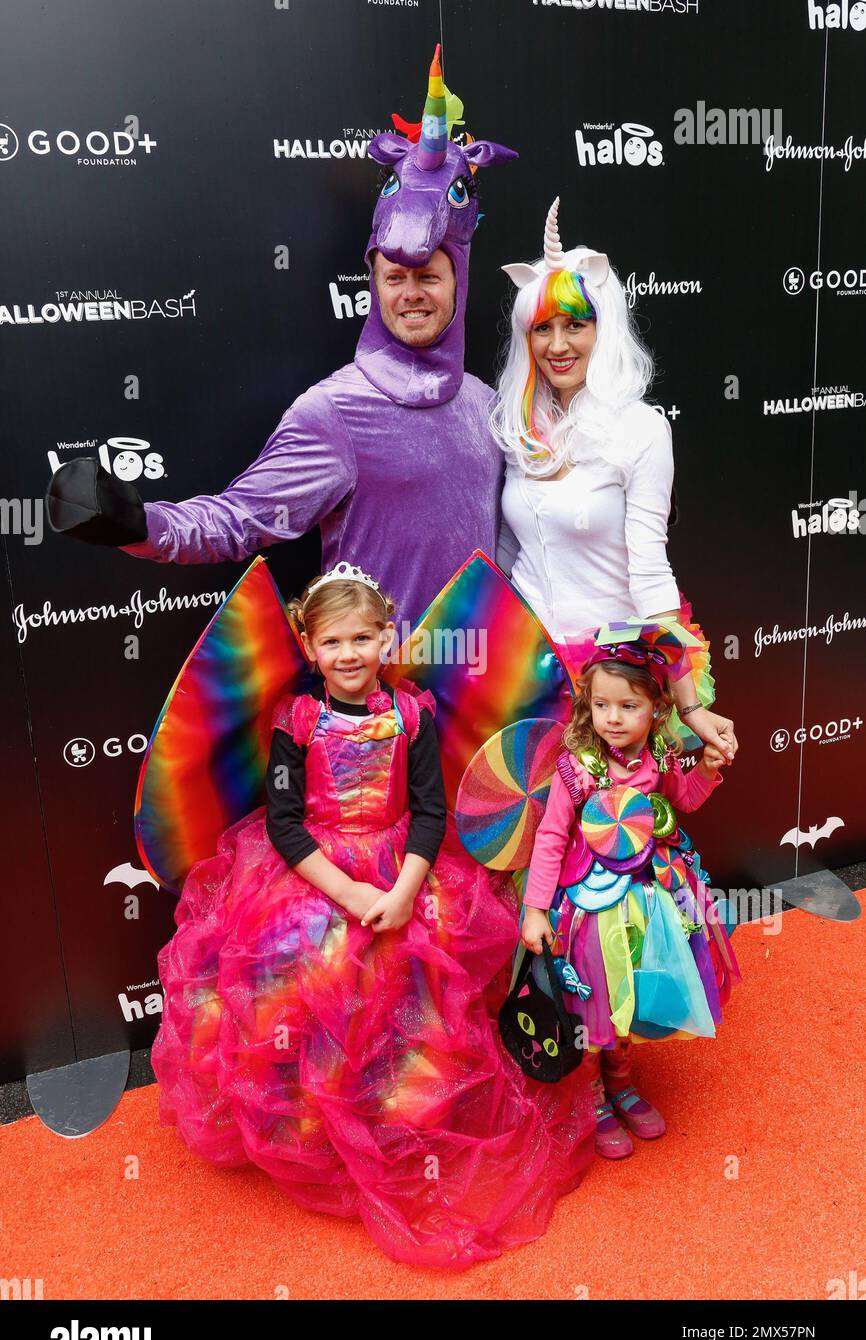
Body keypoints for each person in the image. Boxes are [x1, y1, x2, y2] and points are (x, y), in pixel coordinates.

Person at [151, 561, 595, 1267]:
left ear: (388, 638)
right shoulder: (296, 722)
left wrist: (405, 888)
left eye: (363, 638)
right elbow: (285, 826)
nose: (350, 654)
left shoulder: (412, 716)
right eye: (334, 642)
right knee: (310, 970)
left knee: (406, 982)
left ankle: (396, 1111)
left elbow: (428, 811)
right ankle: (314, 1121)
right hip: (313, 877)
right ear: (308, 646)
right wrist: (354, 896)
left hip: (404, 871)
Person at [44, 47, 517, 628]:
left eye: (428, 277)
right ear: (373, 282)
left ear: (458, 283)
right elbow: (240, 519)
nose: (411, 293)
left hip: (489, 702)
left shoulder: (484, 405)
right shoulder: (336, 412)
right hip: (383, 712)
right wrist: (142, 525)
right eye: (394, 277)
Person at [491, 198, 737, 763]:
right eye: (542, 329)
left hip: (614, 677)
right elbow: (507, 557)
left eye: (575, 326)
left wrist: (686, 702)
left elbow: (650, 572)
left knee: (612, 837)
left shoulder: (641, 428)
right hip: (530, 669)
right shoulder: (519, 428)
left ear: (604, 329)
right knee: (535, 829)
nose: (557, 346)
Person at [519, 624, 741, 1160]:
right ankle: (593, 1095)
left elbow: (681, 801)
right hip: (590, 910)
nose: (613, 718)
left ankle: (622, 1081)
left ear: (657, 711)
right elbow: (550, 837)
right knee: (595, 997)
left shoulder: (660, 758)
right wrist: (533, 909)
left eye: (628, 706)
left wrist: (707, 771)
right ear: (587, 707)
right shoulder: (577, 769)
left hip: (653, 901)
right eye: (601, 705)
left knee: (632, 994)